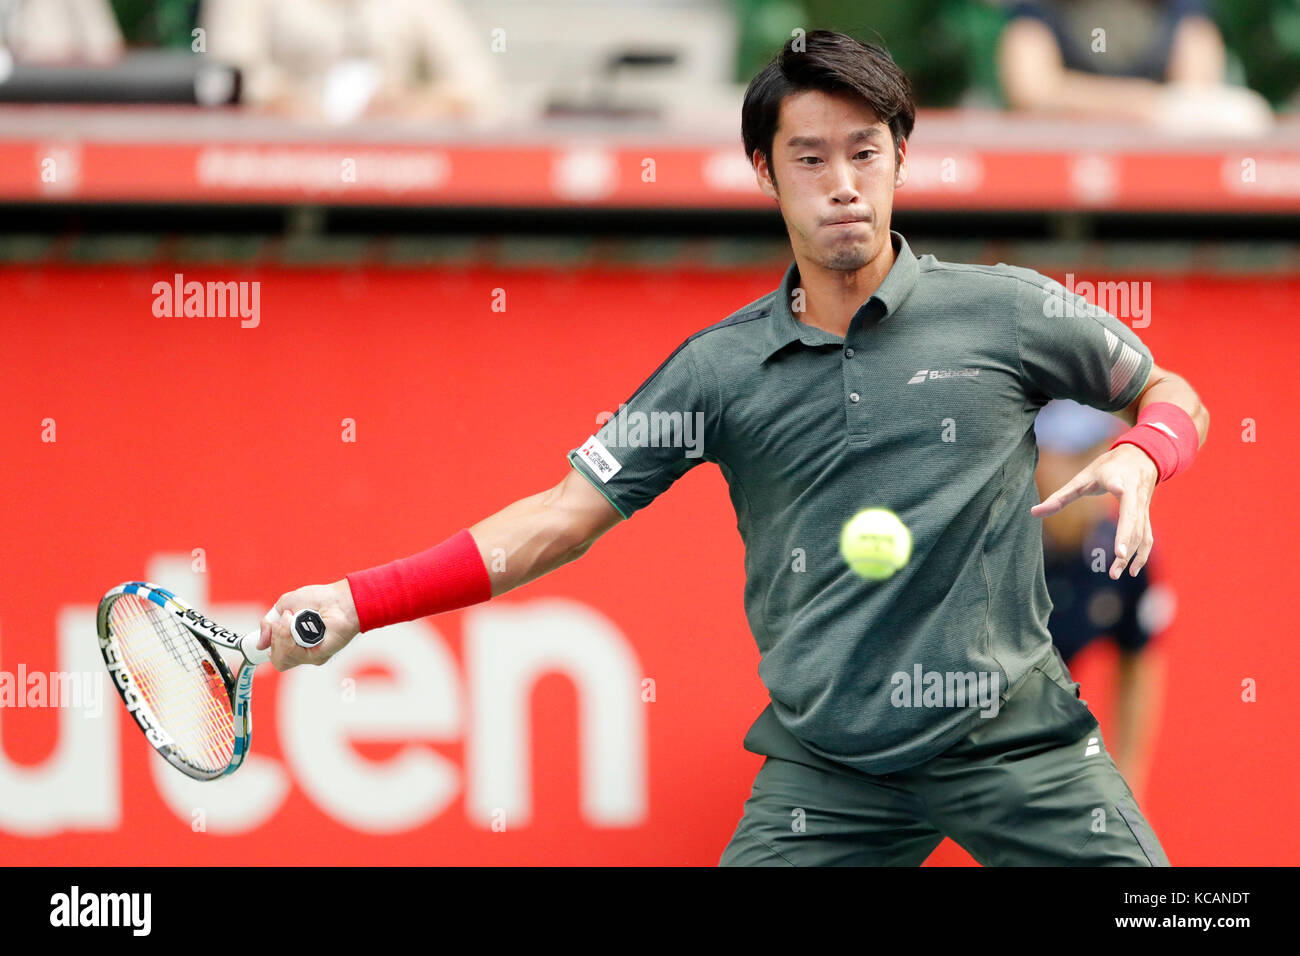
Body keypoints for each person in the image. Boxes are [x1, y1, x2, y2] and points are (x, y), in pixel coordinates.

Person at [259, 31, 1209, 866]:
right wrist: (356, 602)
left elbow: (1171, 394)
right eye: (810, 158)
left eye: (865, 153)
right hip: (830, 771)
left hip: (1015, 740)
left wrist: (1143, 453)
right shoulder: (718, 371)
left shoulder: (1007, 311)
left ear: (900, 158)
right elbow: (557, 520)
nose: (843, 184)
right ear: (764, 172)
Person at [1034, 399, 1173, 804]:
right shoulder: (988, 546)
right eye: (1074, 455)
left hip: (1036, 744)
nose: (1095, 474)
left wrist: (1129, 782)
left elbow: (1138, 659)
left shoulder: (1124, 553)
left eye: (1101, 452)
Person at [997, 0, 1271, 133]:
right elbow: (1030, 92)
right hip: (1057, 173)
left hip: (1160, 183)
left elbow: (1194, 96)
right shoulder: (1038, 10)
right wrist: (1148, 104)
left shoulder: (1185, 13)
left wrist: (1073, 95)